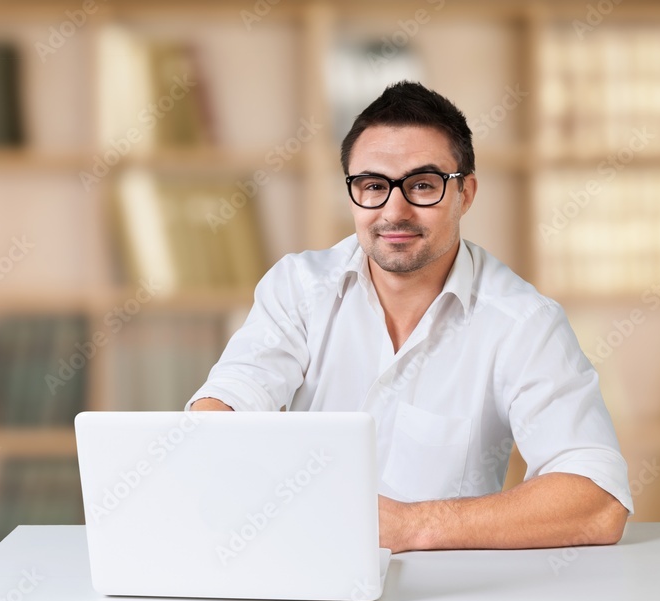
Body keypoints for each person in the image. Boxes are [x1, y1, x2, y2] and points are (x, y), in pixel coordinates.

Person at [187, 81, 632, 553]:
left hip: (451, 596)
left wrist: (412, 526)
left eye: (422, 185)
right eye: (373, 186)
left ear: (465, 193)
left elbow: (597, 502)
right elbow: (229, 397)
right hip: (309, 568)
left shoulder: (524, 322)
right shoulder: (298, 287)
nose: (394, 212)